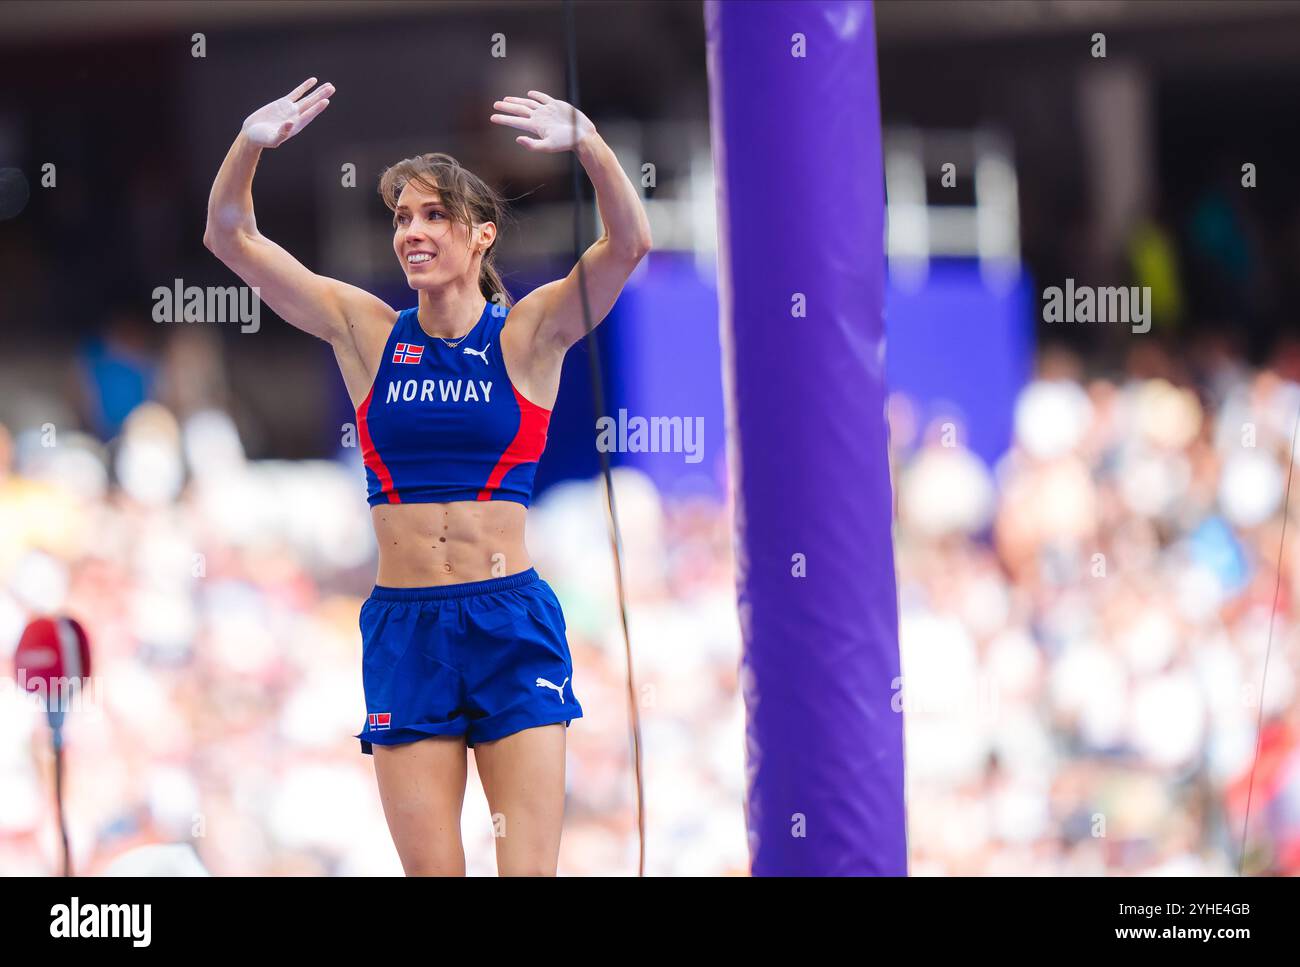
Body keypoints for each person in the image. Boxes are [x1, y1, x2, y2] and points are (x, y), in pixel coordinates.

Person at [203, 78, 651, 875]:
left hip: (509, 623)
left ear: (481, 236)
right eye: (402, 217)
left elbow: (627, 247)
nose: (411, 231)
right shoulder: (364, 329)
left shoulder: (528, 335)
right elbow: (230, 237)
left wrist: (591, 145)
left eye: (432, 215)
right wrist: (248, 145)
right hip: (407, 629)